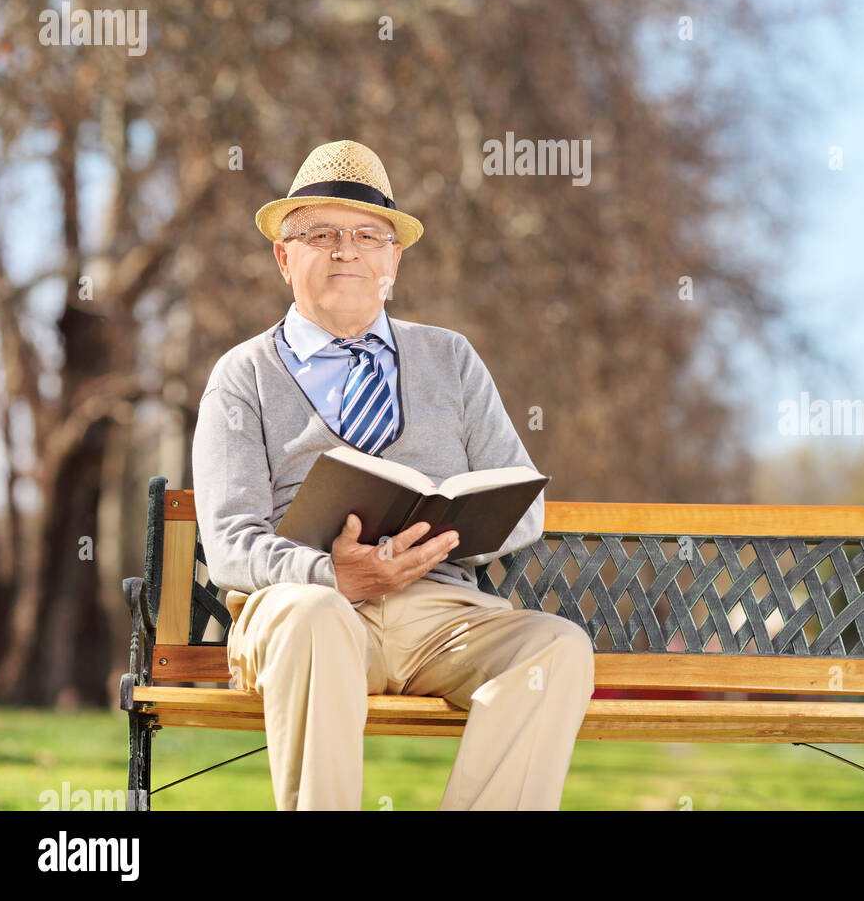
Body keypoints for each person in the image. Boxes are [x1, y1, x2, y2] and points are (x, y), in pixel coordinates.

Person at [191, 140, 594, 810]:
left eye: (367, 235)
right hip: (302, 616)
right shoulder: (243, 376)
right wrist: (334, 575)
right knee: (317, 616)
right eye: (320, 233)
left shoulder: (452, 359)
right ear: (284, 257)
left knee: (557, 649)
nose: (346, 250)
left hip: (440, 614)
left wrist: (444, 538)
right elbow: (231, 542)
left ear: (393, 259)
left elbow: (525, 502)